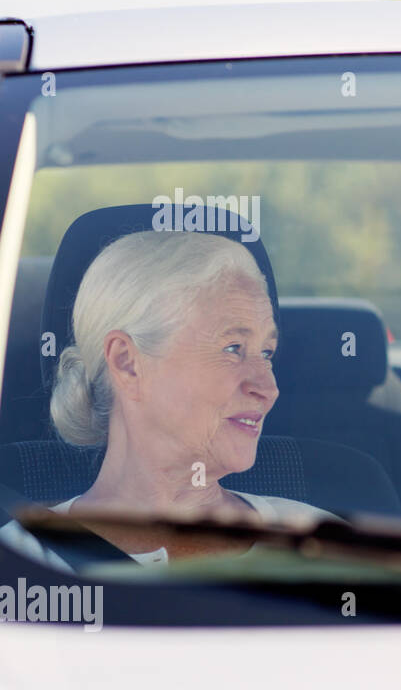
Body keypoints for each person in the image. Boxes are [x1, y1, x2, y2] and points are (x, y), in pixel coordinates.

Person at [0, 230, 333, 570]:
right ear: (127, 363)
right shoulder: (20, 565)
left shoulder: (325, 546)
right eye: (233, 348)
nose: (268, 387)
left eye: (267, 353)